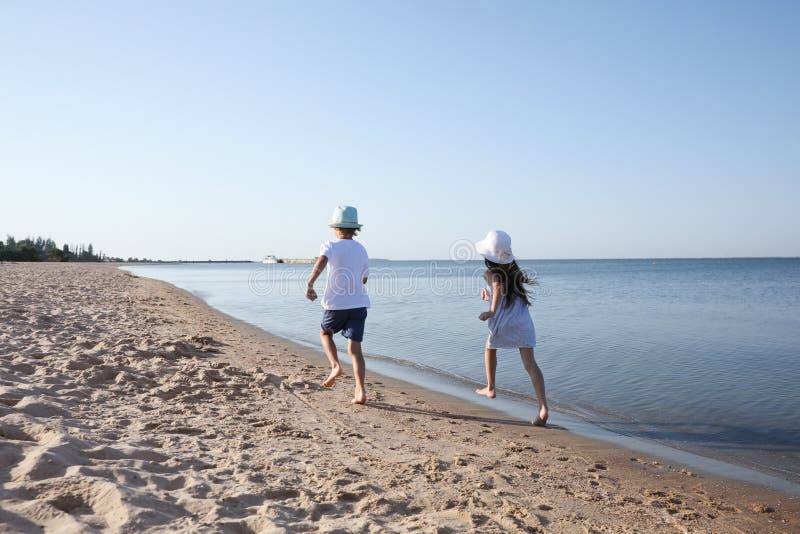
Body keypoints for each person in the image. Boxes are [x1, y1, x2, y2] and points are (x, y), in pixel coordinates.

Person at [474, 230, 549, 426]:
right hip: (523, 321)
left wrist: (490, 310)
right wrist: (489, 298)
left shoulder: (490, 273)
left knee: (490, 347)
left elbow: (498, 287)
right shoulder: (515, 272)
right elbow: (504, 295)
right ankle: (543, 408)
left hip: (503, 321)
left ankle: (490, 387)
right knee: (530, 365)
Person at [306, 206, 370, 404]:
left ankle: (335, 366)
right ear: (355, 229)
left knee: (325, 333)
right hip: (359, 304)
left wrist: (310, 283)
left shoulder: (330, 246)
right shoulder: (361, 249)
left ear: (336, 228)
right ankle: (360, 391)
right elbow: (364, 279)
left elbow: (321, 263)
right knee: (355, 350)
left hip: (336, 305)